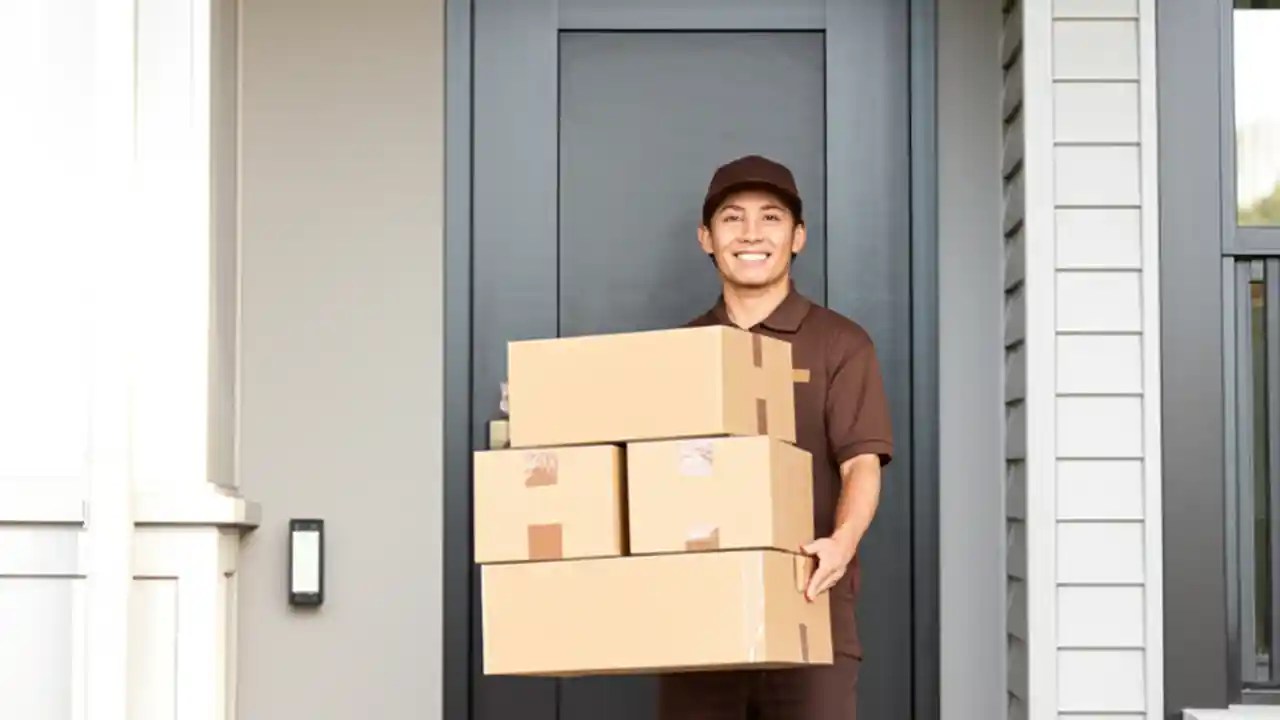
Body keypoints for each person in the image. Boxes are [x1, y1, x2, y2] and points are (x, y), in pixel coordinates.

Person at [659, 154, 894, 720]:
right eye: (732, 218)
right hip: (700, 617)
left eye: (770, 218)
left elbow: (861, 462)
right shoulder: (678, 350)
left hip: (810, 606)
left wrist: (842, 542)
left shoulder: (840, 344)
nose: (751, 233)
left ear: (798, 237)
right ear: (706, 238)